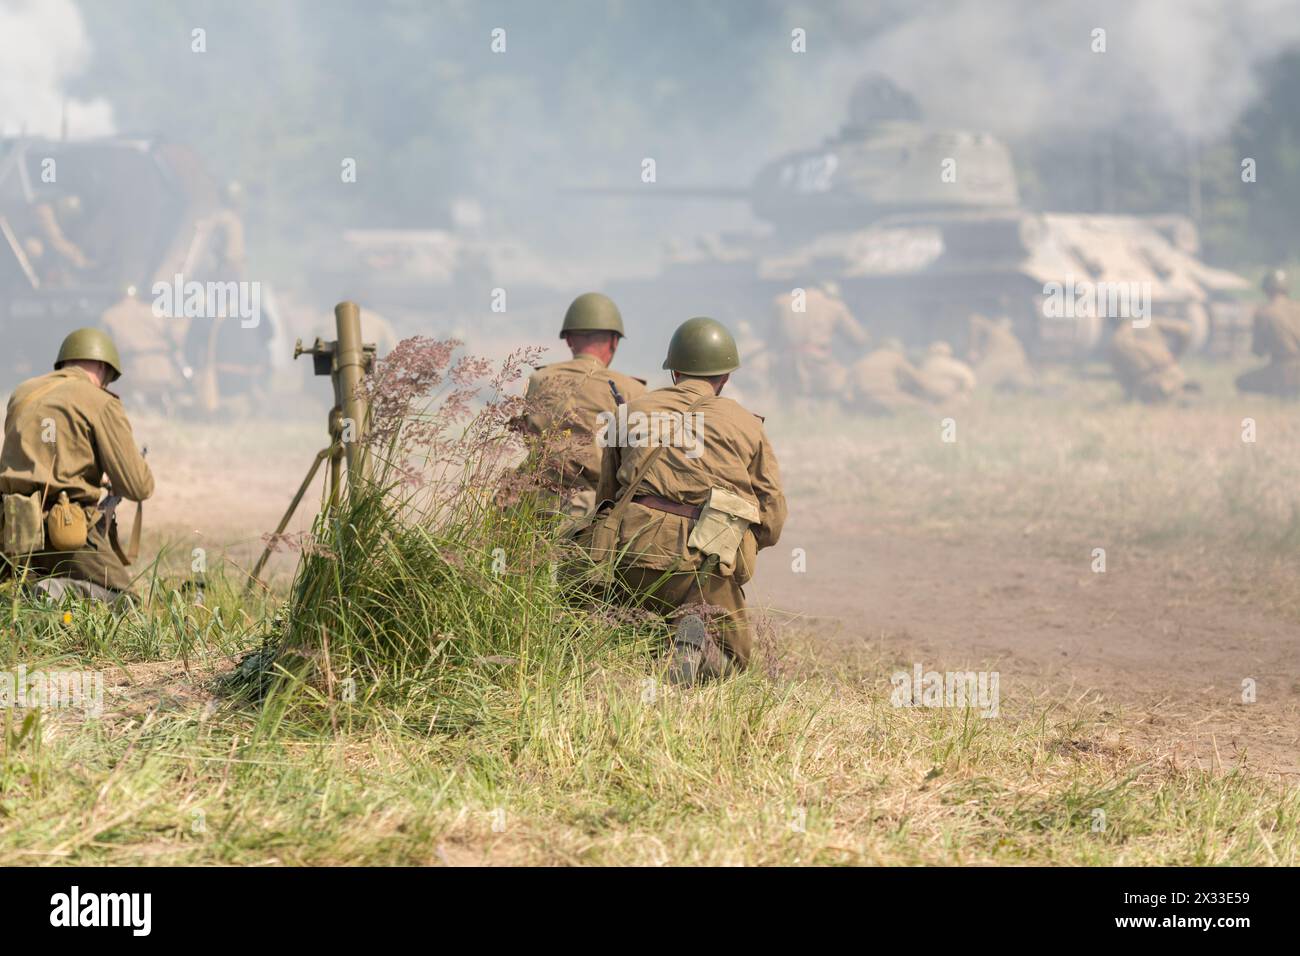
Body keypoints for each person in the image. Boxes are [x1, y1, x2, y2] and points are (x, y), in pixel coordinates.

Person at [588, 316, 786, 684]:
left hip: (633, 551)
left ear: (675, 371)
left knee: (629, 631)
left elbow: (606, 502)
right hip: (704, 560)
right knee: (733, 662)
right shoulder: (746, 423)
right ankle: (693, 647)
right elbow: (771, 516)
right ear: (725, 377)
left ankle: (661, 648)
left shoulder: (629, 412)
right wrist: (737, 541)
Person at [0, 328, 154, 603]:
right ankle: (53, 592)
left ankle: (27, 592)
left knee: (13, 592)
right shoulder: (99, 401)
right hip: (65, 526)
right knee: (126, 603)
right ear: (102, 366)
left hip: (11, 525)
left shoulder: (22, 392)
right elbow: (138, 486)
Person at [517, 292, 645, 519]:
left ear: (568, 339)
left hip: (534, 507)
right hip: (597, 513)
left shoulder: (538, 381)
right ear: (614, 341)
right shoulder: (632, 391)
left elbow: (527, 437)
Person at [772, 281, 869, 398]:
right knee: (835, 389)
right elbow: (858, 338)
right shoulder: (833, 305)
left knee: (790, 401)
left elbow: (771, 336)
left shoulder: (782, 302)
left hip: (787, 361)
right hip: (818, 362)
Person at [1236, 269, 1300, 398]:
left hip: (1283, 369)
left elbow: (1258, 351)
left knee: (1241, 382)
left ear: (1266, 289)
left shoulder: (1263, 313)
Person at [1107, 316, 1196, 403]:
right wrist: (1176, 357)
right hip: (1176, 375)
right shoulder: (1146, 323)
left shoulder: (1117, 342)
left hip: (1154, 387)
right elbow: (1184, 328)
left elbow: (1126, 382)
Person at [843, 338, 937, 415]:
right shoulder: (895, 357)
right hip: (888, 397)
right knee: (924, 407)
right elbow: (917, 379)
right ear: (895, 349)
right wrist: (931, 389)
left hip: (864, 400)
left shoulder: (862, 361)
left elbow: (847, 392)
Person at [968, 313, 1036, 391]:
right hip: (1016, 365)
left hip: (1003, 363)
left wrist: (973, 349)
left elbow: (976, 321)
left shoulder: (993, 330)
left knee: (975, 383)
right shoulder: (1005, 336)